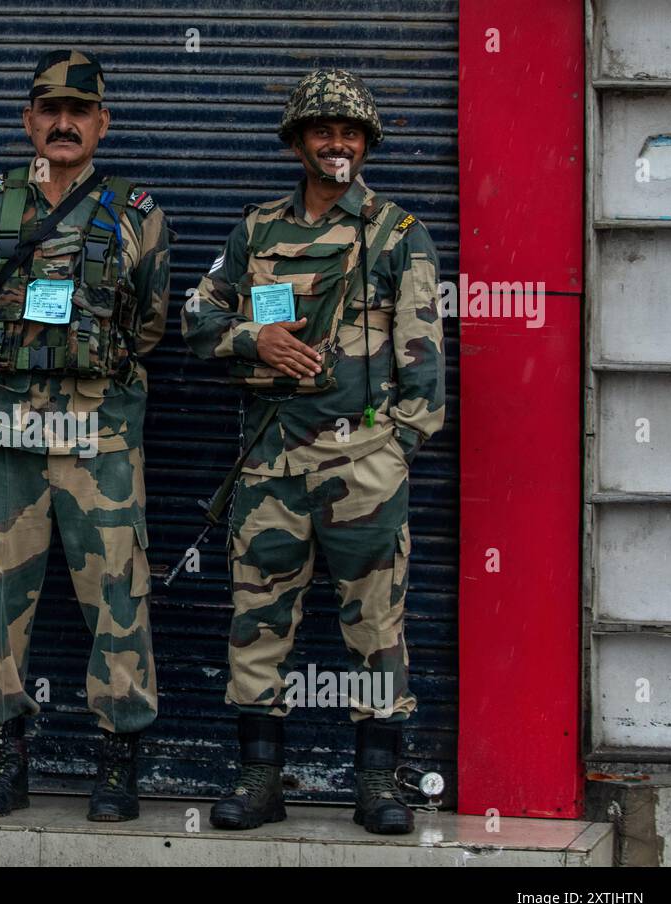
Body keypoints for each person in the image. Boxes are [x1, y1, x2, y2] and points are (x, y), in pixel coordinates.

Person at [182, 68, 444, 834]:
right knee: (257, 622)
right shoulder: (257, 231)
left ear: (366, 145)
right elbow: (198, 317)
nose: (338, 143)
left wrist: (393, 449)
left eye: (351, 132)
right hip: (270, 461)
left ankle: (377, 785)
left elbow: (423, 359)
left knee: (375, 623)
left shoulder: (398, 233)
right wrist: (250, 337)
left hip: (361, 459)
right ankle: (261, 781)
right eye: (323, 131)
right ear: (298, 142)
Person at [0, 50, 170, 822]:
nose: (63, 123)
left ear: (102, 123)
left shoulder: (138, 213)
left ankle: (117, 764)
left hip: (98, 443)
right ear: (27, 120)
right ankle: (5, 762)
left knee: (117, 599)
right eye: (49, 110)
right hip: (5, 441)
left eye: (80, 111)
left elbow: (148, 331)